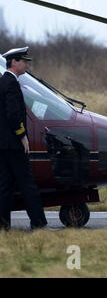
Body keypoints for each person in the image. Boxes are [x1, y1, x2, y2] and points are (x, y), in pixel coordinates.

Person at [0, 47, 48, 231]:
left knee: (5, 186)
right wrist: (22, 136)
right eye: (24, 61)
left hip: (4, 145)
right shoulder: (11, 83)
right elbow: (13, 115)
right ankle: (38, 223)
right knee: (28, 184)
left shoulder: (3, 81)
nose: (27, 64)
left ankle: (3, 227)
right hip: (13, 144)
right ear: (14, 62)